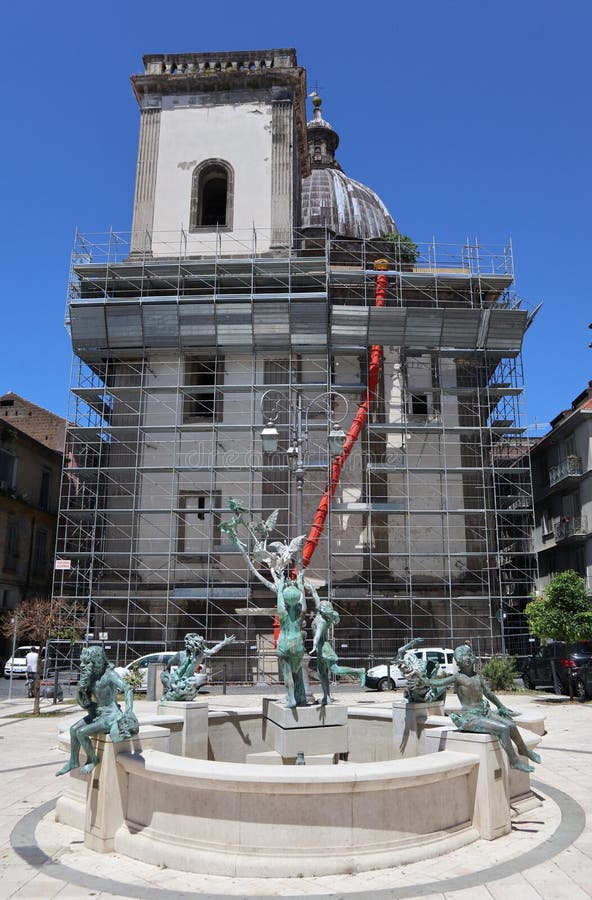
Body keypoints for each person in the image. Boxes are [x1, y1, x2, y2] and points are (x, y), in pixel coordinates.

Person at [423, 644, 540, 773]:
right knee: (504, 729)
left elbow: (489, 693)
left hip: (484, 713)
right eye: (463, 657)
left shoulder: (477, 676)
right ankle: (514, 761)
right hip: (471, 717)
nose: (468, 658)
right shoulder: (457, 678)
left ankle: (523, 749)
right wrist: (425, 680)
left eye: (469, 655)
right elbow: (438, 683)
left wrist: (502, 707)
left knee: (511, 725)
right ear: (459, 662)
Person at [56, 645, 138, 776]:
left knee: (82, 732)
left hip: (110, 716)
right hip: (97, 713)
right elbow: (87, 702)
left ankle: (92, 759)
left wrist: (128, 710)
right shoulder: (92, 677)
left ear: (97, 661)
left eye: (87, 663)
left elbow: (127, 688)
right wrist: (82, 694)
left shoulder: (110, 675)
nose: (83, 666)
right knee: (73, 730)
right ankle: (73, 761)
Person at [311, 599, 365, 704]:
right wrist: (313, 591)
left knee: (334, 670)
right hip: (320, 649)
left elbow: (317, 635)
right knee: (322, 674)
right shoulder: (322, 617)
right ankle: (326, 697)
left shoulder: (321, 621)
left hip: (323, 648)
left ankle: (359, 671)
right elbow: (317, 600)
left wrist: (314, 644)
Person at [161, 632, 236, 701]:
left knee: (187, 691)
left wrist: (224, 643)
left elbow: (213, 650)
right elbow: (170, 662)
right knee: (173, 691)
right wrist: (167, 670)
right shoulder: (181, 654)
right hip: (177, 678)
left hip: (188, 679)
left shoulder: (200, 655)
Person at [276, 572, 307, 708]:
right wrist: (300, 585)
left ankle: (291, 699)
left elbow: (279, 596)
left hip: (285, 644)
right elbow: (304, 604)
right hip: (298, 645)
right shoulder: (301, 614)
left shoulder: (282, 613)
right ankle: (301, 698)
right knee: (297, 672)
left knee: (287, 674)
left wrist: (282, 582)